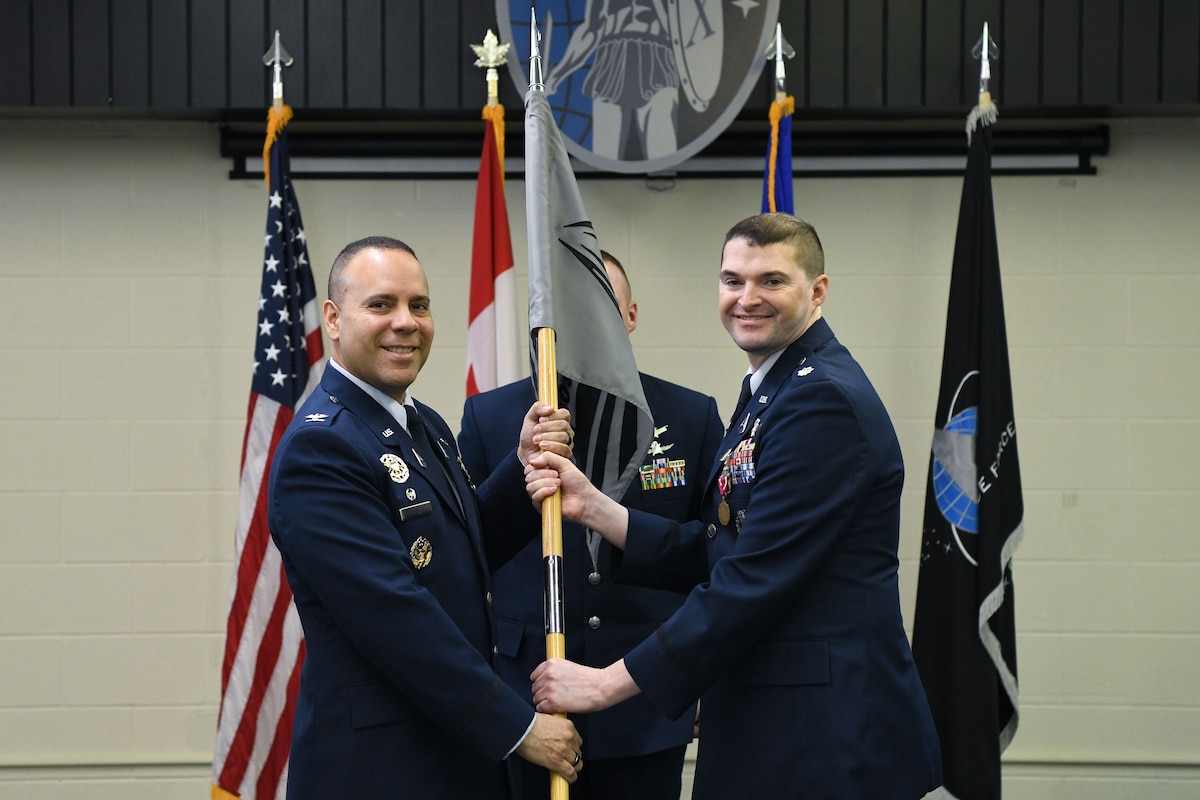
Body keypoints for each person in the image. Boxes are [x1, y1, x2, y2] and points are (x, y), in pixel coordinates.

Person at [525, 214, 943, 798]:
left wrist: (604, 686)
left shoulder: (820, 401)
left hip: (821, 737)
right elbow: (726, 545)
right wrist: (596, 508)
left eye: (771, 281)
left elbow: (752, 581)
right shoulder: (773, 390)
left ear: (817, 290)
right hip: (775, 721)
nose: (747, 299)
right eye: (732, 281)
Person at [268, 236, 583, 799]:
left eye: (419, 305)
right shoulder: (323, 448)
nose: (406, 323)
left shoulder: (423, 424)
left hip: (449, 753)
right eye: (381, 305)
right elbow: (395, 616)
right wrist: (516, 727)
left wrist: (523, 466)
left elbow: (460, 551)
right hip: (382, 768)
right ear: (334, 320)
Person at [459, 251, 723, 800]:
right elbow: (467, 553)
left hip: (644, 703)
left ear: (629, 314)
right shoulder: (493, 417)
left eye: (598, 305)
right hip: (526, 703)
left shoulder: (690, 416)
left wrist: (701, 675)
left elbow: (717, 560)